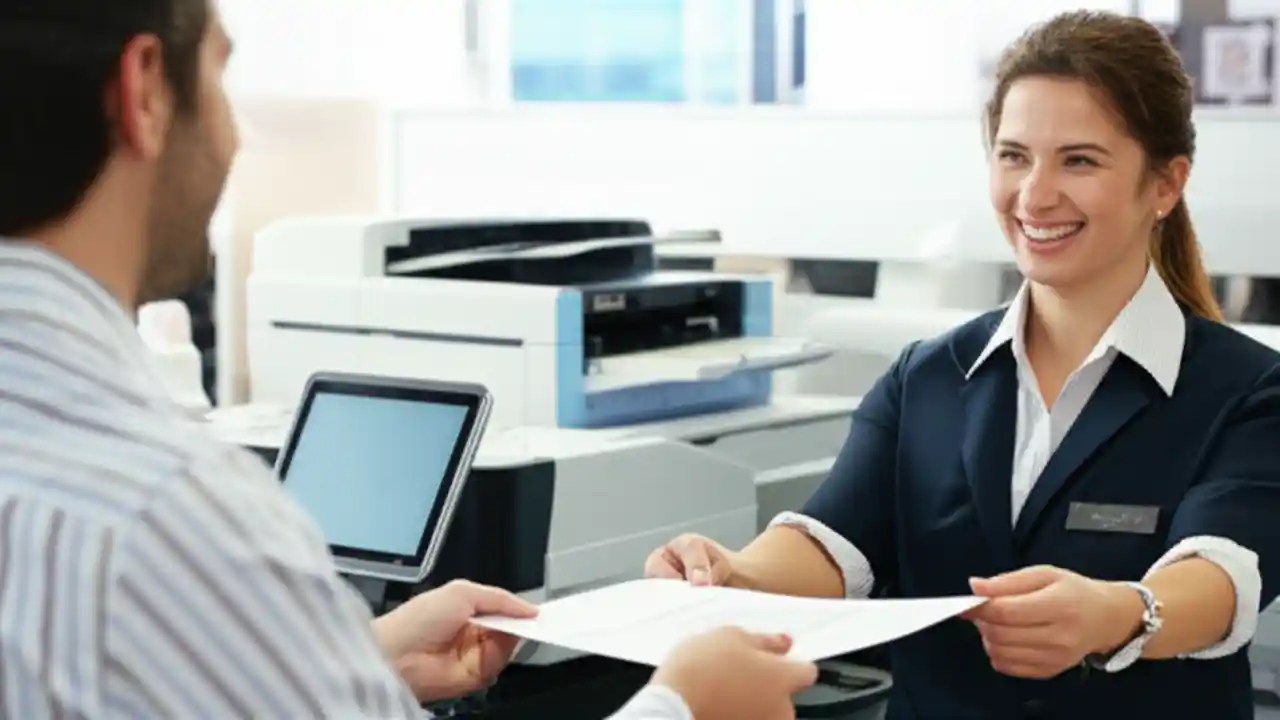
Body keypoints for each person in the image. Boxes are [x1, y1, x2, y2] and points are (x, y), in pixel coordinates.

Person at [0, 1, 818, 718]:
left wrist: (351, 662)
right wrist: (686, 708)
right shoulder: (172, 515)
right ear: (145, 89)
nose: (231, 134)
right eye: (220, 75)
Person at [648, 11, 1280, 719]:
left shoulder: (1249, 390)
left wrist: (1118, 613)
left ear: (1165, 185)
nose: (1035, 195)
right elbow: (836, 538)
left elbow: (1225, 573)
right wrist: (737, 572)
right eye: (1013, 155)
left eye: (1079, 160)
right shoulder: (928, 376)